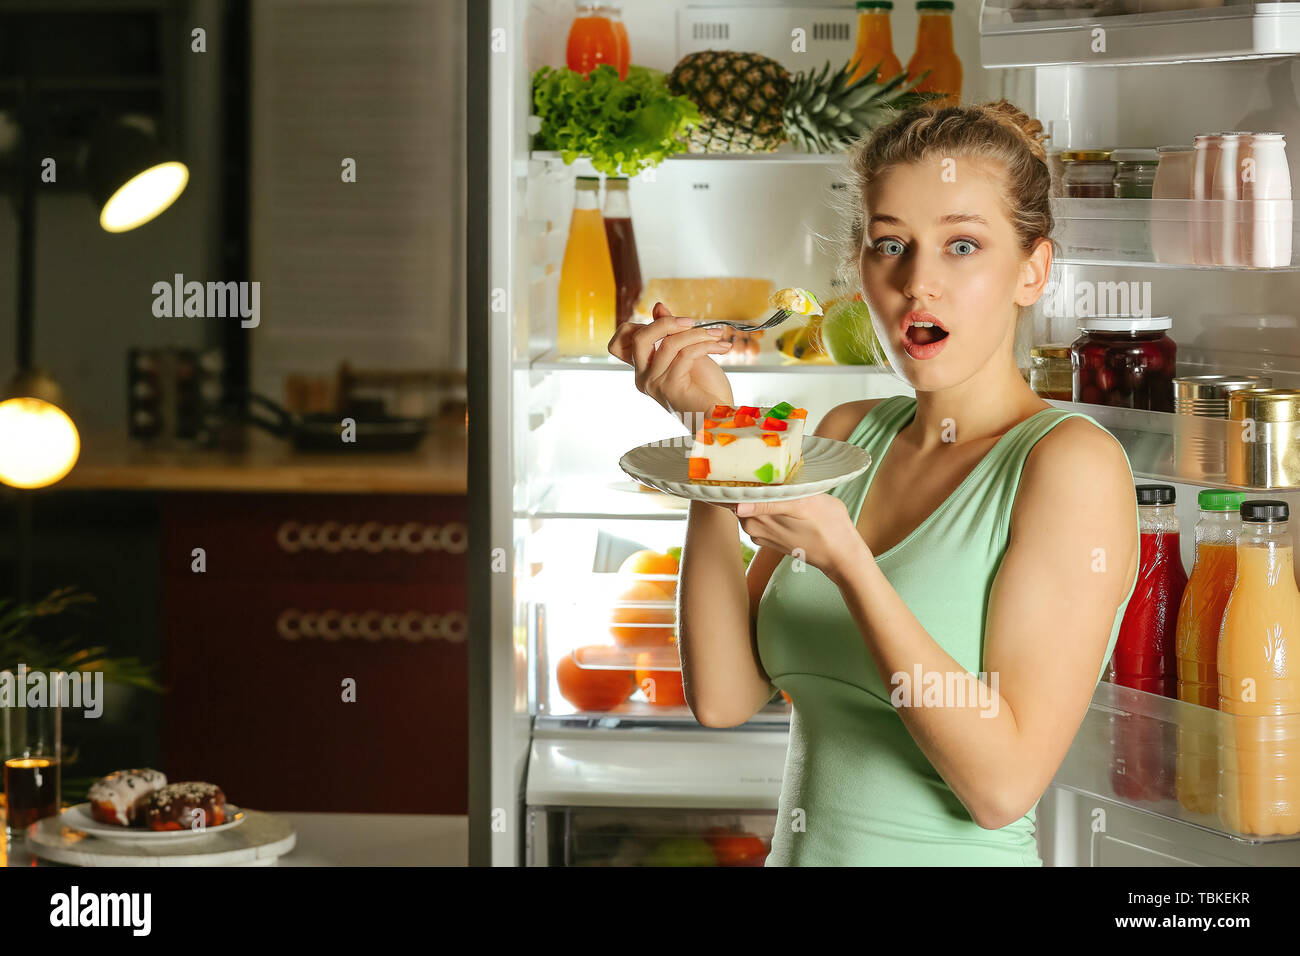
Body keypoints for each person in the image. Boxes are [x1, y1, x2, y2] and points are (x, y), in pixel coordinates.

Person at [607, 100, 1140, 866]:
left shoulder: (1066, 465)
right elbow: (725, 696)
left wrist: (849, 562)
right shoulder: (848, 435)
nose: (919, 282)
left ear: (1033, 270)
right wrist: (710, 430)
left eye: (962, 245)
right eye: (891, 244)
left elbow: (1001, 788)